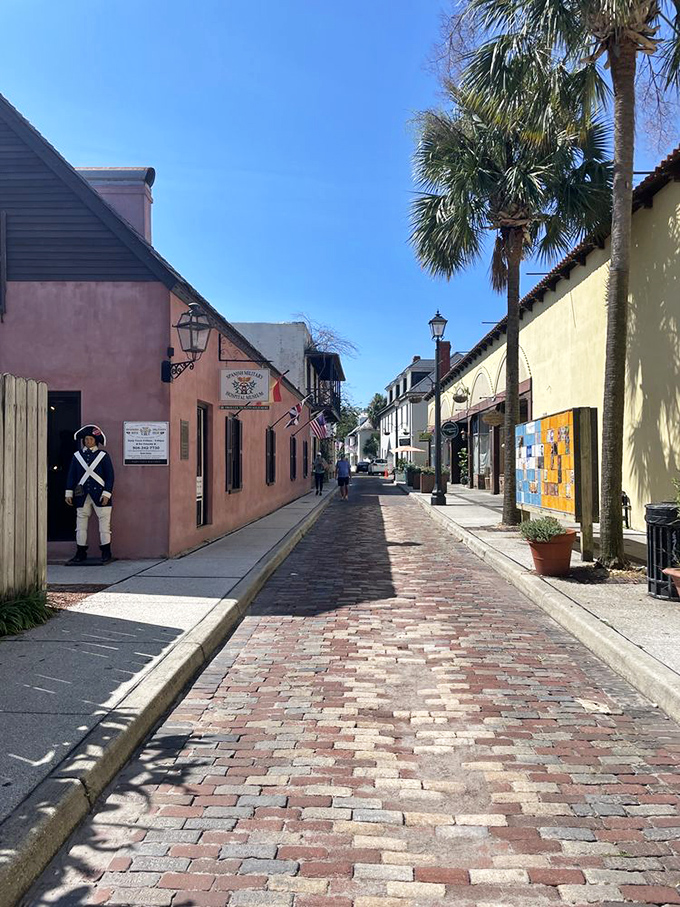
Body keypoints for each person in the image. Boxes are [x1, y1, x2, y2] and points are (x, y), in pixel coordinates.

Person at [65, 424, 115, 565]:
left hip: (100, 495)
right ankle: (80, 552)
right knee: (80, 525)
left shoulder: (103, 456)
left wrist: (107, 494)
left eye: (91, 439)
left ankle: (106, 552)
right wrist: (68, 493)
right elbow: (72, 476)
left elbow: (110, 477)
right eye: (86, 439)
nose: (88, 441)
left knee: (104, 526)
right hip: (82, 496)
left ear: (95, 441)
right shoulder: (77, 456)